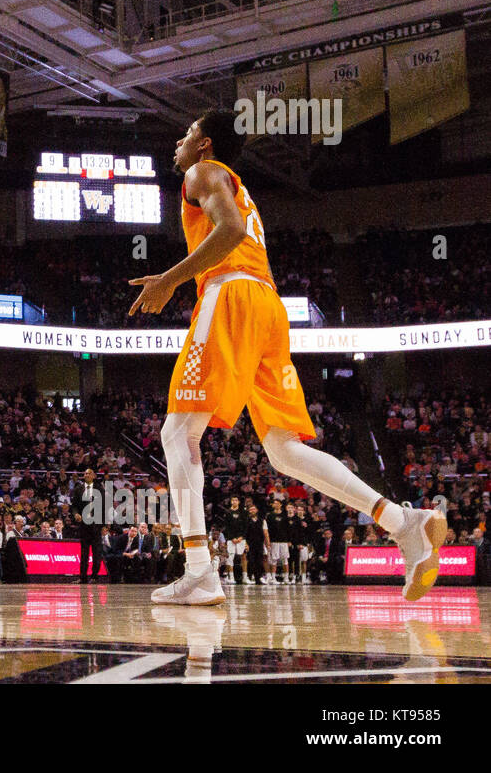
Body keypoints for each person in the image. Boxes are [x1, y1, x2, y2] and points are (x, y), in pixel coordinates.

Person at [131, 110, 446, 605]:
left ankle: (199, 571)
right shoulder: (236, 184)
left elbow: (231, 232)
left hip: (230, 293)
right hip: (268, 307)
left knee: (176, 431)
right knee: (282, 450)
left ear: (205, 143)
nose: (179, 140)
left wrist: (170, 279)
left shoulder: (204, 172)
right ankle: (403, 522)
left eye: (187, 134)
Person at [76, 468, 103, 582]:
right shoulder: (78, 489)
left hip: (96, 525)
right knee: (84, 553)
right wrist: (76, 514)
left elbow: (105, 507)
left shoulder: (100, 489)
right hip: (84, 526)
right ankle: (82, 577)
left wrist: (104, 525)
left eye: (88, 473)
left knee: (96, 553)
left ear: (94, 476)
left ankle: (95, 577)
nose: (86, 475)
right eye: (85, 473)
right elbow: (74, 505)